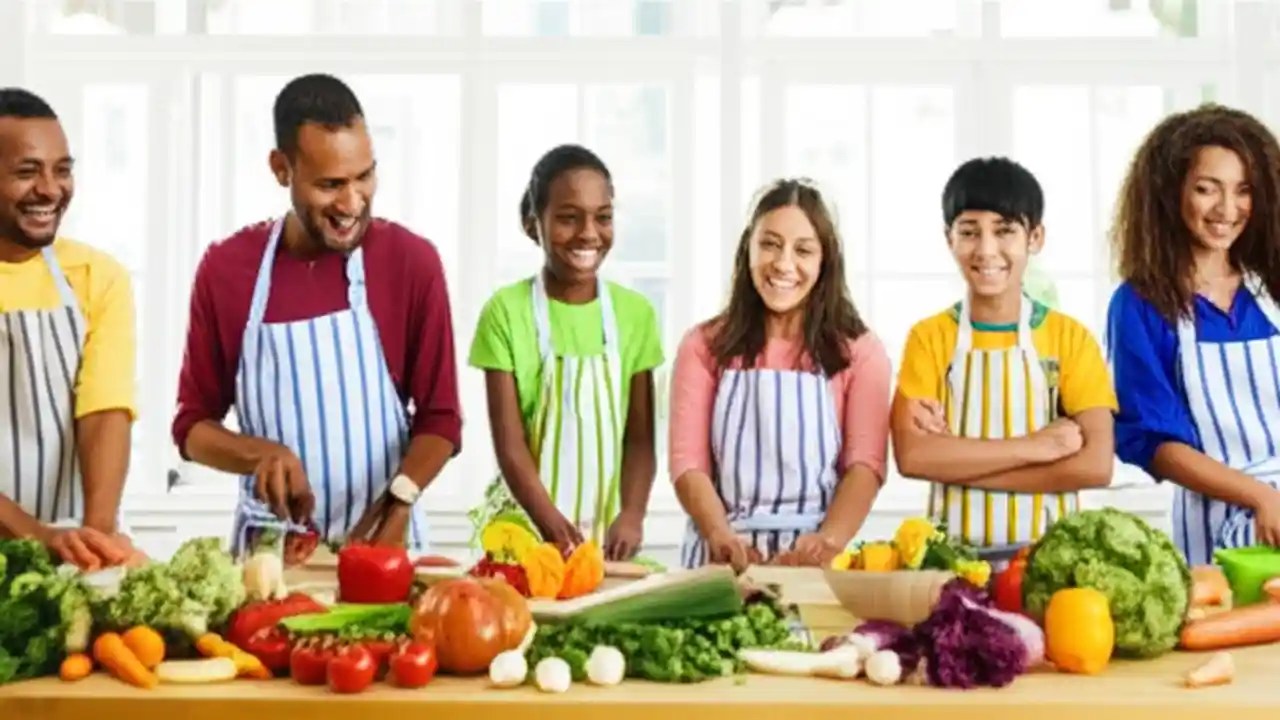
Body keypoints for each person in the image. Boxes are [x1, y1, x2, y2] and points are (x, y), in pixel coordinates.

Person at [172, 74, 462, 561]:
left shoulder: (411, 262)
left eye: (364, 177)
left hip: (386, 547)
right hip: (271, 559)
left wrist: (399, 499)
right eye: (330, 184)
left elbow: (442, 419)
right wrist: (261, 454)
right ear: (281, 169)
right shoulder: (227, 270)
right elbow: (192, 427)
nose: (352, 203)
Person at [893, 157, 1116, 550]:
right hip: (951, 564)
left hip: (1047, 562)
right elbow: (912, 457)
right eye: (969, 232)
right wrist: (1036, 448)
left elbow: (1096, 466)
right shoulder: (929, 338)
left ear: (1035, 238)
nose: (986, 249)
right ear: (950, 239)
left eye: (1005, 230)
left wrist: (956, 465)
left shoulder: (1069, 338)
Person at [668, 178, 891, 571]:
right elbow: (688, 463)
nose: (783, 264)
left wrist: (827, 542)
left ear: (825, 262)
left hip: (815, 560)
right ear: (748, 249)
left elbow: (865, 466)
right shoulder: (702, 346)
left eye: (803, 250)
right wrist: (720, 535)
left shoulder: (860, 351)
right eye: (769, 244)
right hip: (720, 558)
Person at [468, 144, 662, 560]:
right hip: (526, 529)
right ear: (532, 223)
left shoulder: (635, 315)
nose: (589, 233)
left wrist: (631, 514)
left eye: (603, 217)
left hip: (609, 541)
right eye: (568, 218)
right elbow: (510, 445)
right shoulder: (506, 312)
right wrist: (550, 523)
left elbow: (640, 440)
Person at [1107, 104, 1280, 565]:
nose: (1228, 209)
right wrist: (1261, 495)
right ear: (1171, 193)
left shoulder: (1273, 292)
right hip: (1214, 526)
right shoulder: (1141, 305)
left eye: (1244, 191)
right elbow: (1153, 444)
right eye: (1207, 189)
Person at [0, 87, 139, 570]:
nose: (50, 189)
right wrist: (35, 536)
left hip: (65, 557)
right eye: (27, 171)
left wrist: (94, 542)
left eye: (62, 169)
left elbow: (105, 410)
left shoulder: (97, 276)